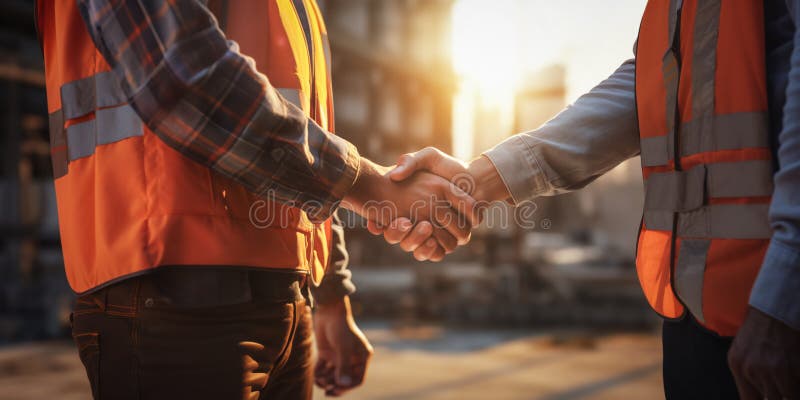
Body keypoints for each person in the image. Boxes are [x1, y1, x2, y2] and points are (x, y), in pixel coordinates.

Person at [36, 0, 478, 398]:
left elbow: (304, 131)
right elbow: (178, 77)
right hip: (170, 294)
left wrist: (330, 294)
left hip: (287, 300)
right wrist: (371, 186)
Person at [374, 1, 800, 399]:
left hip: (772, 314)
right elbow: (645, 85)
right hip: (697, 315)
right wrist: (477, 181)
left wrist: (783, 296)